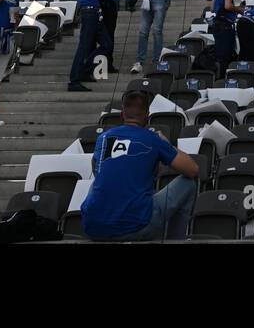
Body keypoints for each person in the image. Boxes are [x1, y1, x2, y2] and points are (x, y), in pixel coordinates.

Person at [81, 90, 199, 241]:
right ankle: (175, 240)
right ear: (147, 117)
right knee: (188, 184)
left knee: (99, 181)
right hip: (135, 227)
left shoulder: (103, 138)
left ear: (122, 115)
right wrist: (166, 144)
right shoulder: (153, 139)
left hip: (92, 227)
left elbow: (96, 170)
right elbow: (193, 170)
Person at [69, 0, 114, 92]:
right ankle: (74, 80)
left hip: (95, 10)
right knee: (84, 47)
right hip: (89, 12)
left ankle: (84, 70)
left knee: (106, 45)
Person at [211, 0, 243, 70]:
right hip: (225, 25)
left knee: (220, 54)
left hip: (217, 24)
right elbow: (228, 5)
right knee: (225, 56)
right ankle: (223, 78)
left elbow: (212, 8)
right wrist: (240, 10)